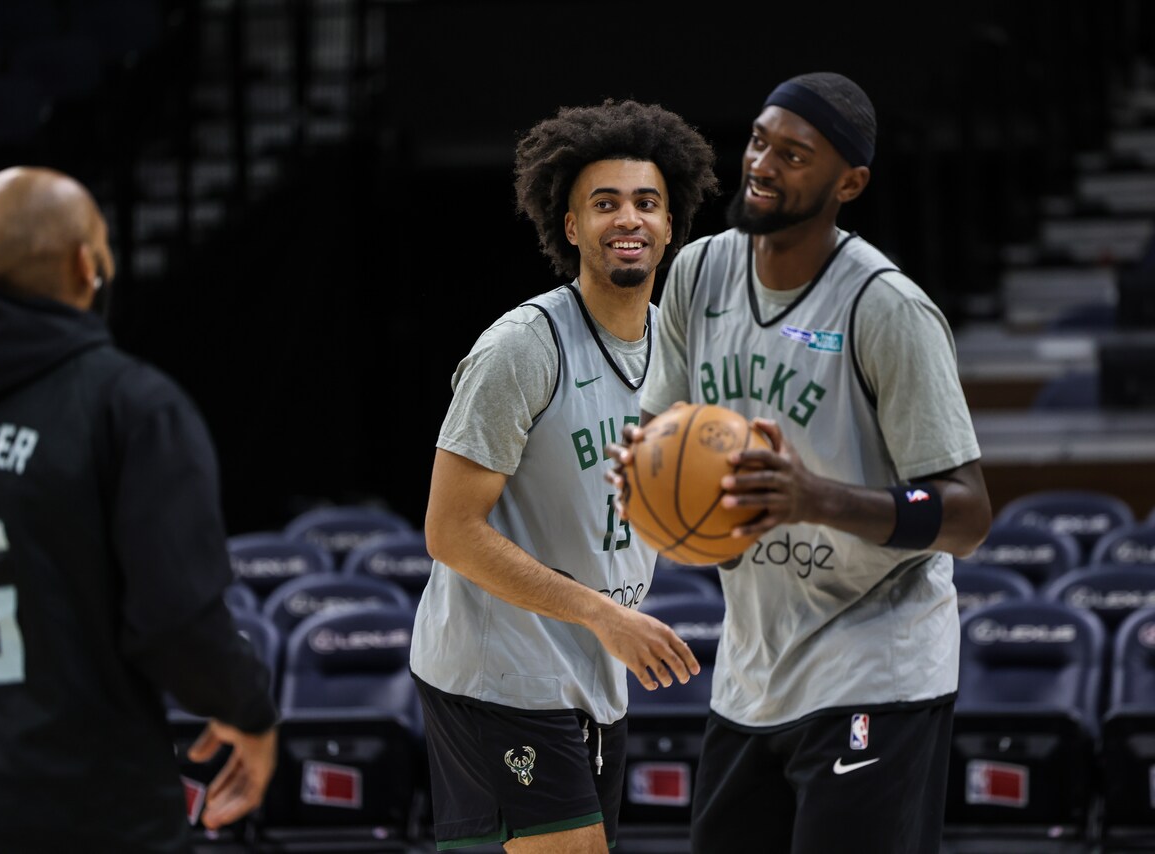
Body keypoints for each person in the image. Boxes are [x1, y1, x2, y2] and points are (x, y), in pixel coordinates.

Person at [607, 71, 993, 853]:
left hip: (877, 663)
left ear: (848, 182)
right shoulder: (698, 273)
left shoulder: (885, 308)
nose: (763, 164)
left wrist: (813, 498)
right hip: (753, 668)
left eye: (794, 154)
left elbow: (968, 515)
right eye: (758, 140)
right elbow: (660, 428)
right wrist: (640, 471)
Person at [409, 98, 720, 853]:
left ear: (671, 223)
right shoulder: (523, 348)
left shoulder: (682, 355)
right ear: (571, 225)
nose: (629, 219)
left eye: (647, 202)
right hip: (499, 672)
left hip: (593, 672)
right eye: (605, 203)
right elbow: (449, 533)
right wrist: (605, 616)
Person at [0, 166, 278, 852]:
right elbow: (175, 621)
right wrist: (247, 710)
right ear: (86, 265)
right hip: (86, 805)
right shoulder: (129, 406)